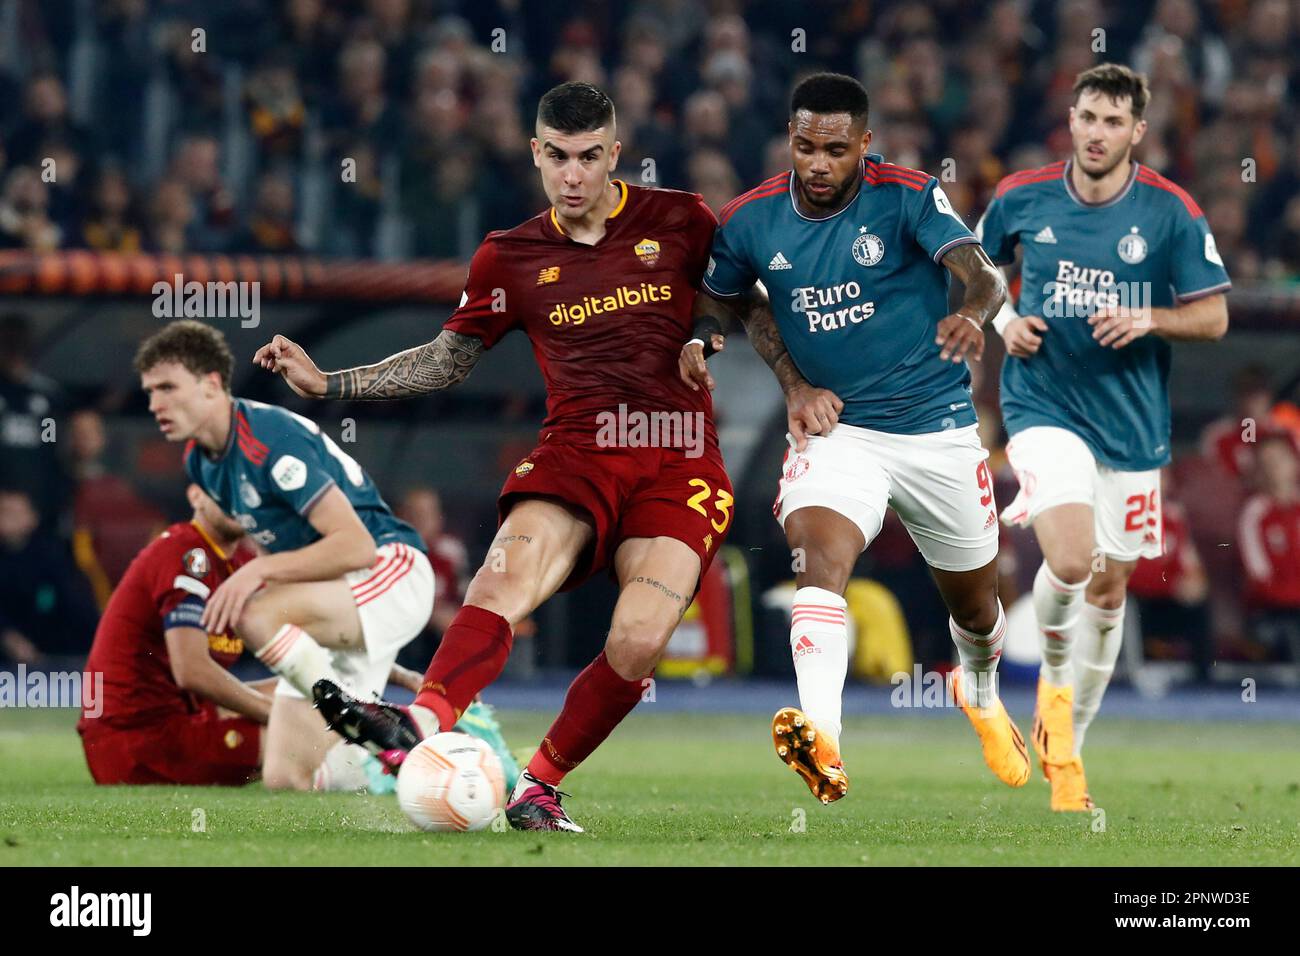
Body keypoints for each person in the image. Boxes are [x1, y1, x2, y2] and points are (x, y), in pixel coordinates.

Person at [254, 81, 728, 832]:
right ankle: (419, 726)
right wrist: (329, 381)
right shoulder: (509, 257)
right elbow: (446, 362)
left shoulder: (681, 219)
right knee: (500, 577)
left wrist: (758, 364)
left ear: (614, 155)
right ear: (536, 154)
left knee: (637, 641)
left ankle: (537, 786)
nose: (573, 176)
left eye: (589, 158)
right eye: (558, 158)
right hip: (577, 451)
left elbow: (738, 294)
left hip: (678, 457)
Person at [681, 72, 1024, 805]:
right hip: (840, 430)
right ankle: (824, 740)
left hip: (937, 430)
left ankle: (983, 692)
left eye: (834, 149)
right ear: (790, 141)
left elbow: (981, 272)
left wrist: (971, 313)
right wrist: (787, 381)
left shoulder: (906, 195)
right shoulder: (750, 219)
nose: (817, 163)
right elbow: (723, 291)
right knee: (819, 560)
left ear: (864, 145)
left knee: (975, 609)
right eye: (805, 146)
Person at [977, 63, 1230, 810]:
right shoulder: (1022, 195)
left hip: (1133, 427)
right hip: (1043, 403)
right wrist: (1003, 322)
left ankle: (1068, 758)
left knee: (1112, 585)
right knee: (1072, 557)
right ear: (1073, 119)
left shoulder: (1171, 213)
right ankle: (1050, 686)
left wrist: (1150, 318)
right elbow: (976, 267)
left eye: (1113, 122)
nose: (1096, 133)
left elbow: (1214, 316)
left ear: (1137, 133)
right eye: (1087, 117)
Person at [134, 320, 443, 790]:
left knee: (255, 610)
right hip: (341, 602)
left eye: (167, 388)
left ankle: (361, 715)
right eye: (150, 391)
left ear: (212, 384)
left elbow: (354, 545)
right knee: (288, 778)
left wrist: (256, 571)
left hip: (388, 567)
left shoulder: (267, 439)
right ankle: (443, 757)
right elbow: (286, 553)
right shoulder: (202, 459)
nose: (155, 404)